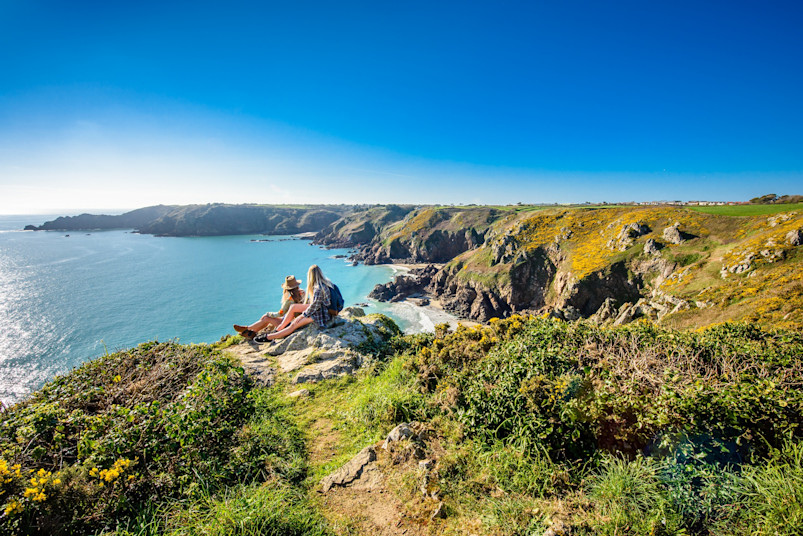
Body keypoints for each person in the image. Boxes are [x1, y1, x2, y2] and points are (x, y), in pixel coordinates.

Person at [254, 264, 332, 343]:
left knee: (294, 324)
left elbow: (315, 306)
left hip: (321, 314)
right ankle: (278, 329)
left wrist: (302, 316)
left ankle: (269, 337)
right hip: (322, 309)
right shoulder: (326, 283)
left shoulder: (318, 288)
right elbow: (316, 304)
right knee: (293, 307)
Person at [233, 275, 304, 340]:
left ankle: (247, 328)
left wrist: (268, 313)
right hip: (297, 321)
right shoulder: (303, 293)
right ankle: (251, 332)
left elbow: (280, 314)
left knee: (266, 318)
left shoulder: (289, 301)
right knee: (265, 318)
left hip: (288, 325)